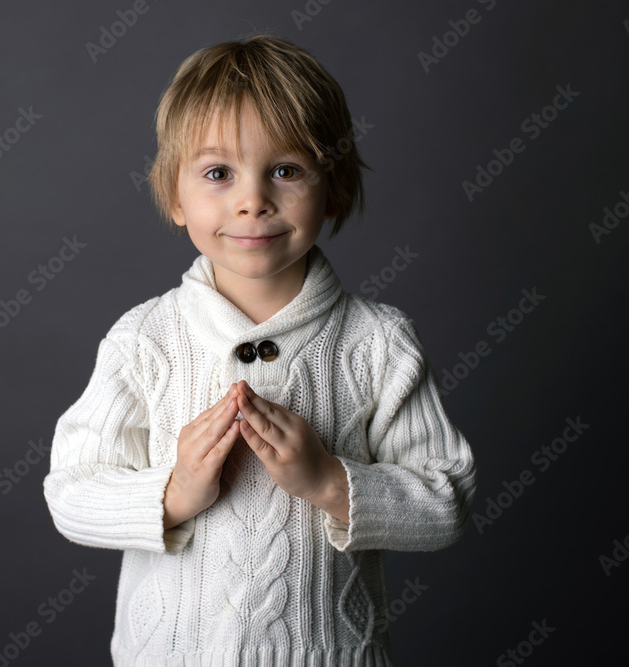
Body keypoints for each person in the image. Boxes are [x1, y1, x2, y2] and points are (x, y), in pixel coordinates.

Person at [43, 34, 476, 666]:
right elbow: (71, 492)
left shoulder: (379, 342)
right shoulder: (144, 340)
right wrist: (174, 493)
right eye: (218, 173)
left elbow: (448, 500)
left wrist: (330, 481)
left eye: (286, 170)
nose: (253, 199)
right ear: (174, 195)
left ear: (334, 188)